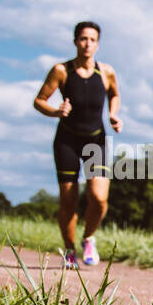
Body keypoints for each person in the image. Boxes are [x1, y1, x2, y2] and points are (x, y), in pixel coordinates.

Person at [33, 21, 122, 268]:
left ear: (98, 44)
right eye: (83, 39)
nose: (87, 44)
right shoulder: (61, 70)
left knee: (99, 197)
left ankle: (89, 238)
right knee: (68, 200)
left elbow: (114, 94)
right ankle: (70, 252)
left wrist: (114, 114)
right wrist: (55, 111)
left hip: (96, 140)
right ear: (75, 41)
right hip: (67, 141)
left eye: (92, 40)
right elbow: (39, 100)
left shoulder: (106, 72)